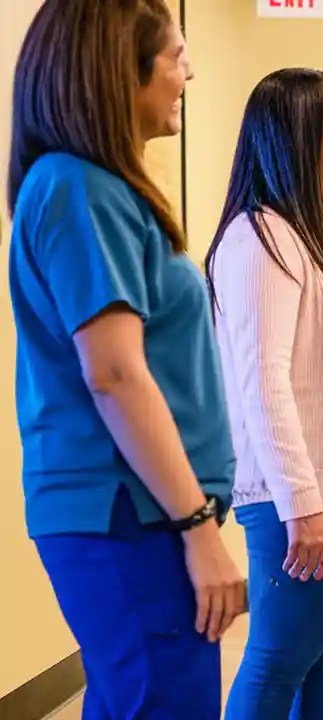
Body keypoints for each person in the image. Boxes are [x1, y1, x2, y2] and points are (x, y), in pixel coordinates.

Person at [6, 0, 243, 716]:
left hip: (135, 513)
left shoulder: (97, 189)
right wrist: (197, 526)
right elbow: (112, 373)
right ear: (120, 71)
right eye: (176, 56)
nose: (188, 73)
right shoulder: (78, 188)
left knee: (136, 699)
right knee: (165, 701)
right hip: (125, 513)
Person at [204, 68, 323, 720]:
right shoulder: (262, 236)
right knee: (279, 661)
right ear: (309, 133)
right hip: (302, 485)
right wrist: (301, 505)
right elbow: (263, 381)